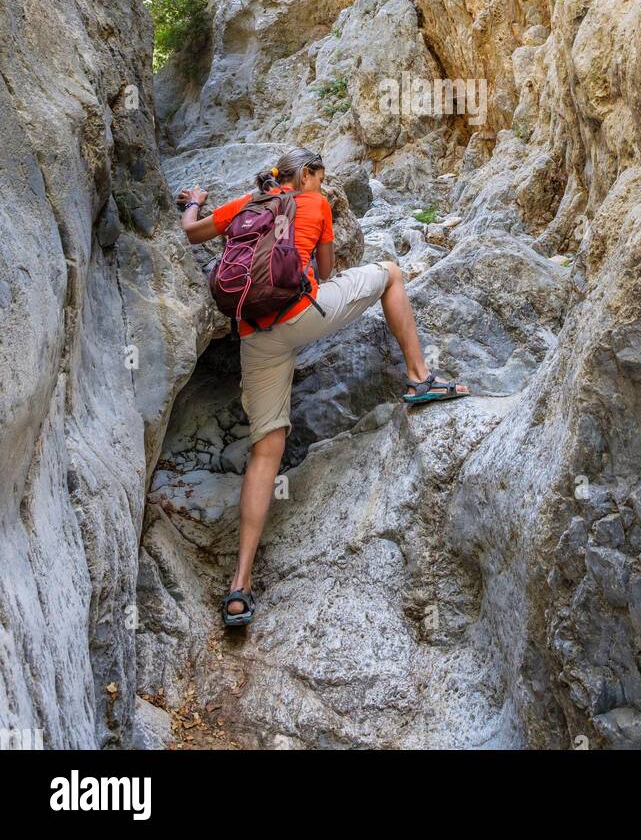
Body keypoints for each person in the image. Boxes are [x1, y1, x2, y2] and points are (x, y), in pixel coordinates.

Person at [177, 146, 469, 626]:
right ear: (308, 174)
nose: (322, 183)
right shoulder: (315, 203)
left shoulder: (246, 203)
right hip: (302, 315)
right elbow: (329, 272)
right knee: (391, 274)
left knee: (266, 448)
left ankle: (239, 587)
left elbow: (192, 233)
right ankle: (420, 378)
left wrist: (195, 200)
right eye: (320, 176)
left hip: (254, 336)